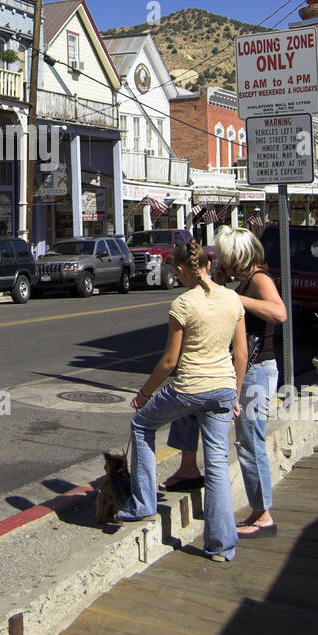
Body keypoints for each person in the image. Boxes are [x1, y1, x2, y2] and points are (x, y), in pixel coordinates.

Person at [114, 237, 248, 562]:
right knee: (216, 464)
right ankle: (221, 547)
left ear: (180, 270)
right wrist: (236, 396)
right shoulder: (232, 299)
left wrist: (144, 394)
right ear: (208, 264)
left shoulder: (183, 304)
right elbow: (241, 353)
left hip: (189, 388)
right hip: (223, 390)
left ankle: (143, 502)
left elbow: (169, 362)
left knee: (142, 424)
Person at [165, 226, 286, 537]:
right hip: (238, 369)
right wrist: (220, 284)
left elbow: (278, 312)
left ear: (238, 257)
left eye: (223, 256)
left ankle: (263, 515)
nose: (219, 259)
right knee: (189, 406)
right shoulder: (240, 282)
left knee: (249, 442)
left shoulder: (258, 279)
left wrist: (236, 299)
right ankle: (189, 469)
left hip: (258, 370)